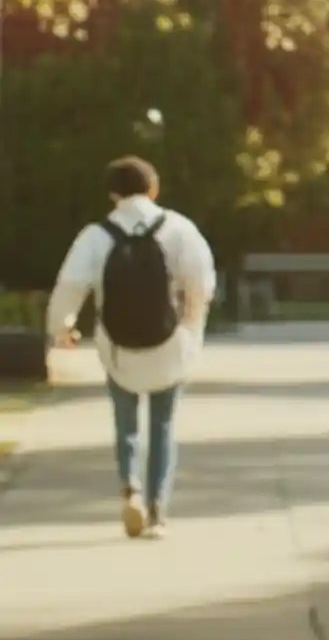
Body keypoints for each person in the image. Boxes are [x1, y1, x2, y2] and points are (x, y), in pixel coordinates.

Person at [46, 156, 216, 539]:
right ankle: (158, 512)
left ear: (112, 194)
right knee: (163, 425)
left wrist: (62, 328)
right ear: (153, 188)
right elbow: (201, 284)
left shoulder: (96, 235)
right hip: (169, 344)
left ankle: (131, 490)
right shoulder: (178, 229)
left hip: (117, 346)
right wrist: (190, 327)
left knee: (125, 426)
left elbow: (71, 285)